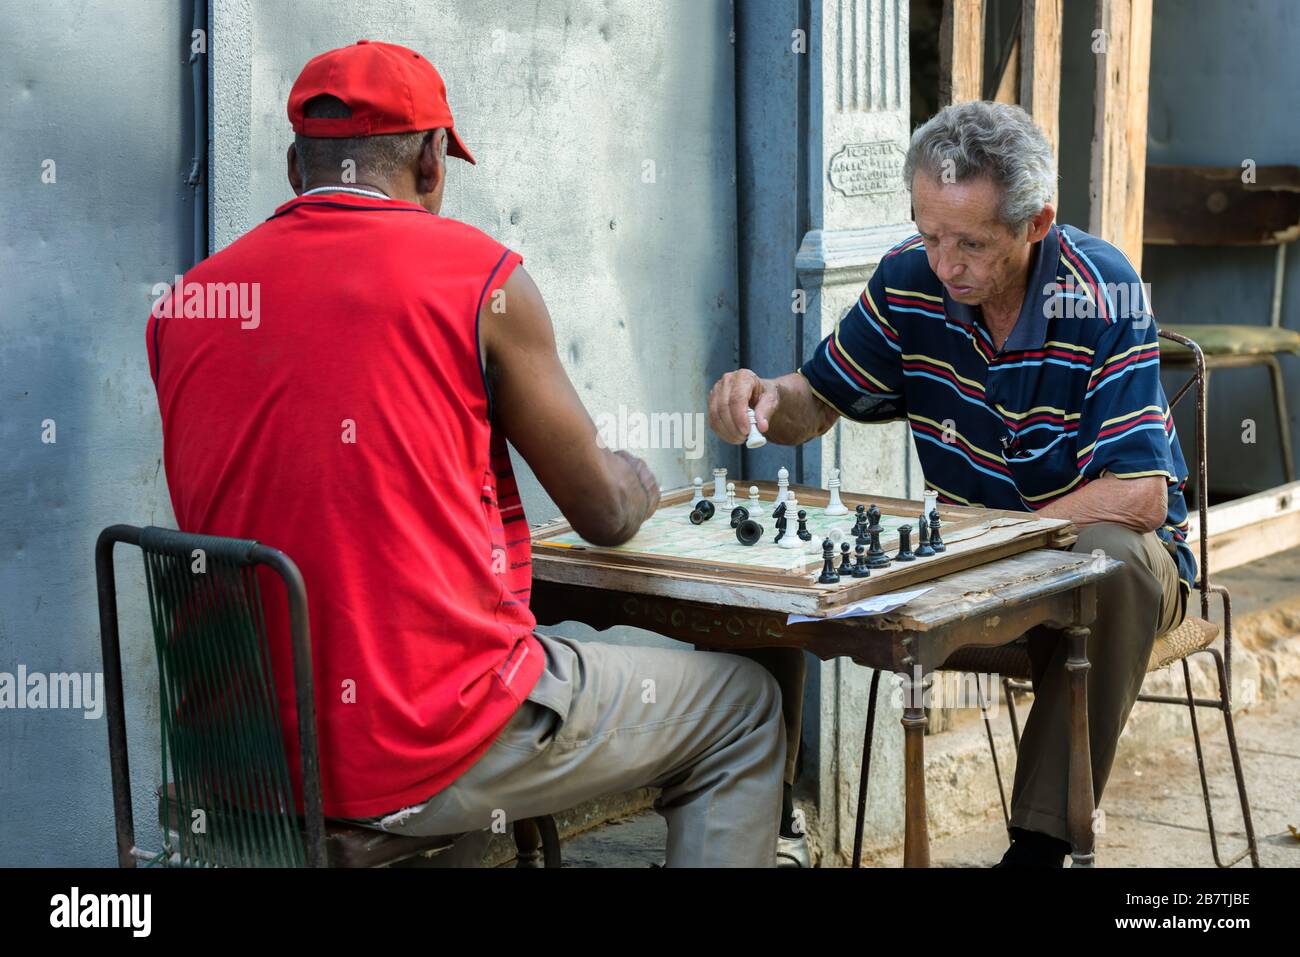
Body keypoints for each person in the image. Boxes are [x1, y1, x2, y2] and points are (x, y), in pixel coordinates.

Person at [147, 40, 786, 867]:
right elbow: (602, 512)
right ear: (431, 158)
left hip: (231, 761)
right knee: (744, 707)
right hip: (418, 744)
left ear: (296, 170)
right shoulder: (479, 280)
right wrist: (634, 473)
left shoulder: (190, 303)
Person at [708, 100, 1192, 867]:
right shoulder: (912, 280)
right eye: (929, 233)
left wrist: (998, 537)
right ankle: (757, 829)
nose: (944, 263)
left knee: (1115, 559)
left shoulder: (1101, 287)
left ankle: (1036, 848)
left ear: (1036, 224)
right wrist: (764, 396)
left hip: (1093, 566)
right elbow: (820, 396)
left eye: (970, 242)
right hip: (971, 563)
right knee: (777, 553)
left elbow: (1140, 496)